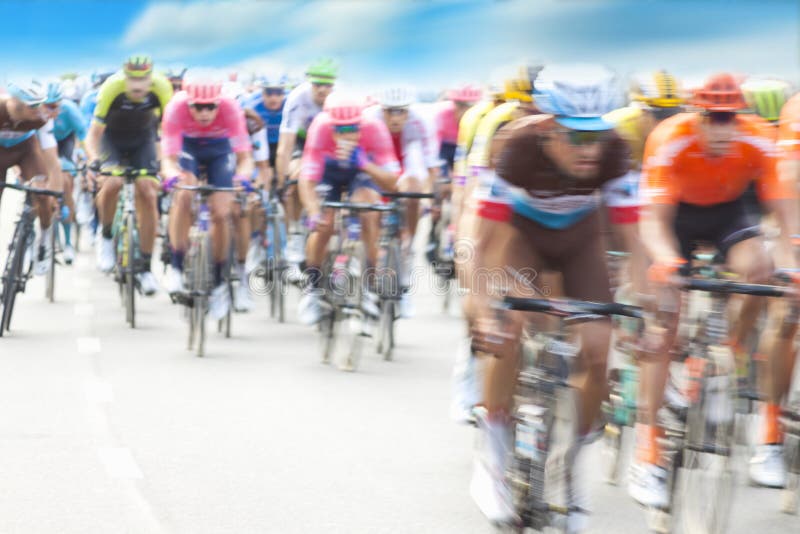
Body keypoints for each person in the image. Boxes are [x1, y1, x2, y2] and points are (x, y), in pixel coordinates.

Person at [467, 64, 627, 527]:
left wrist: (651, 297)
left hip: (580, 241)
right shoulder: (516, 149)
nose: (590, 148)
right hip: (522, 240)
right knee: (510, 326)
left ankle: (573, 469)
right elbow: (477, 247)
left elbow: (636, 239)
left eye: (596, 135)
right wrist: (483, 312)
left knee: (598, 351)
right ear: (549, 127)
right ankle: (493, 455)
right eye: (577, 137)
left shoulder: (616, 151)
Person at [630, 73, 798, 506]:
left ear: (739, 117)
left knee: (757, 269)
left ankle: (731, 353)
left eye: (729, 118)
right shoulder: (671, 138)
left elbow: (784, 217)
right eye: (712, 118)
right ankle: (648, 450)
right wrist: (666, 262)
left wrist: (792, 268)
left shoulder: (757, 138)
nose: (722, 128)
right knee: (665, 318)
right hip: (676, 213)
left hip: (728, 211)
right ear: (695, 115)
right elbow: (652, 221)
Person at [295, 92, 401, 325]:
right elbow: (307, 180)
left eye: (353, 128)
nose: (348, 135)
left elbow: (393, 182)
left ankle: (370, 284)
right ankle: (312, 288)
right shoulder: (320, 127)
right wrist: (313, 212)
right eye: (340, 129)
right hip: (329, 172)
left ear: (361, 122)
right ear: (330, 124)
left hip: (362, 172)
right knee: (323, 224)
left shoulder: (374, 128)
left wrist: (365, 163)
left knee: (369, 210)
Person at [160, 72, 254, 320]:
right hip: (188, 149)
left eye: (210, 107)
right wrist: (171, 175)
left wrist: (242, 178)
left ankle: (221, 282)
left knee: (222, 212)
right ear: (188, 102)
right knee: (184, 192)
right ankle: (177, 268)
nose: (204, 113)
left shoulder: (231, 109)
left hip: (219, 151)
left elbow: (245, 159)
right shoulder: (175, 107)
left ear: (218, 102)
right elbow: (168, 159)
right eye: (198, 107)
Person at [84, 55, 172, 296]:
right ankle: (105, 235)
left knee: (148, 191)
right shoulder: (112, 88)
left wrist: (166, 163)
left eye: (142, 78)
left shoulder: (162, 87)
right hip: (111, 140)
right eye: (132, 78)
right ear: (125, 76)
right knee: (112, 183)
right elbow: (94, 134)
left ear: (150, 77)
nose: (137, 85)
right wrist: (93, 159)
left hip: (143, 139)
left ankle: (145, 267)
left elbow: (169, 131)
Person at [362, 86, 439, 317]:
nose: (396, 118)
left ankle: (407, 246)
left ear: (409, 111)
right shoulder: (369, 121)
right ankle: (368, 268)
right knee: (368, 209)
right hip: (379, 164)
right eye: (390, 111)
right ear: (381, 109)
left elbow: (430, 168)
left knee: (414, 191)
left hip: (407, 161)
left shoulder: (421, 122)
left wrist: (425, 197)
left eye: (401, 112)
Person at [276, 58, 337, 274]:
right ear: (310, 83)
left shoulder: (339, 100)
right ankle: (295, 234)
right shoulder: (297, 98)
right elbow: (285, 146)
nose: (322, 89)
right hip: (303, 143)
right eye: (317, 84)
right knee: (297, 175)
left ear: (334, 85)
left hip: (329, 145)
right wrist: (282, 180)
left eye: (327, 85)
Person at [0, 80, 63, 275]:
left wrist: (56, 191)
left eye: (42, 104)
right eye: (34, 106)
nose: (40, 110)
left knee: (42, 195)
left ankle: (43, 241)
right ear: (16, 102)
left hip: (26, 151)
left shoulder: (42, 117)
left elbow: (51, 158)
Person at [45, 80, 88, 264]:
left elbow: (83, 134)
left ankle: (68, 242)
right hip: (45, 141)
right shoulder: (37, 112)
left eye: (55, 106)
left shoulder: (70, 110)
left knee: (66, 180)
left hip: (65, 143)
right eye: (47, 106)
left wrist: (81, 154)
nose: (51, 110)